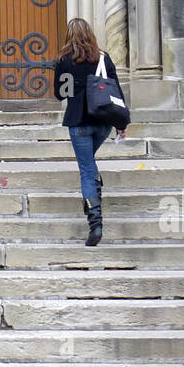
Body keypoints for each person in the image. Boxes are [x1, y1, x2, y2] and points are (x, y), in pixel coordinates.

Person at [53, 17, 126, 246]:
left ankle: (96, 225)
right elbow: (116, 91)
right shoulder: (103, 58)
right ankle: (96, 187)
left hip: (78, 123)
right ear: (90, 35)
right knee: (89, 164)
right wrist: (121, 123)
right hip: (102, 122)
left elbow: (60, 93)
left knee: (86, 169)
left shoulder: (64, 61)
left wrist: (73, 84)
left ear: (69, 37)